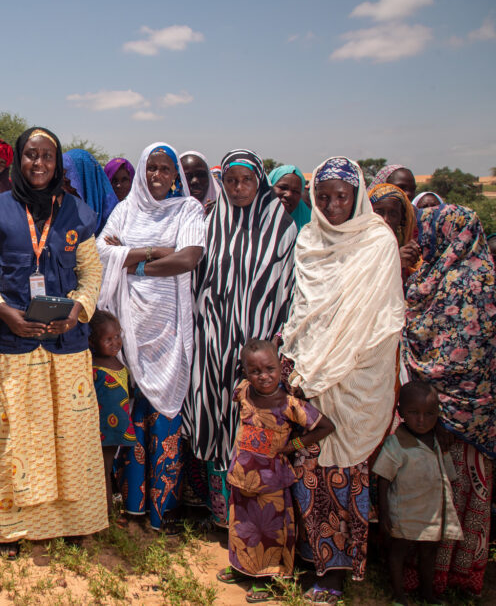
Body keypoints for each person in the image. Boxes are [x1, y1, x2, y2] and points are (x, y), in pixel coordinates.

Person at [0, 127, 107, 557]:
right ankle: (11, 527)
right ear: (18, 162)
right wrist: (4, 312)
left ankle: (74, 521)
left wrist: (77, 310)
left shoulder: (78, 213)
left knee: (71, 435)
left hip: (66, 344)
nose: (39, 163)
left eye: (47, 156)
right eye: (31, 155)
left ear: (57, 161)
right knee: (15, 437)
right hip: (12, 344)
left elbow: (92, 273)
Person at [281, 157, 405, 603]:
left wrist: (334, 365)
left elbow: (384, 319)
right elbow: (302, 309)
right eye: (325, 196)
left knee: (343, 476)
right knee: (306, 473)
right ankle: (311, 559)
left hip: (354, 379)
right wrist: (301, 362)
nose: (332, 205)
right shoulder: (309, 238)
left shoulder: (377, 242)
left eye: (342, 196)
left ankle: (335, 571)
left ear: (357, 197)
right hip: (311, 374)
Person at [181, 150, 297, 527]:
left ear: (259, 181)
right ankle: (221, 517)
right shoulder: (210, 222)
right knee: (218, 418)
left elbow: (289, 289)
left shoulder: (282, 227)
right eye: (231, 180)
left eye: (246, 180)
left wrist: (275, 343)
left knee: (251, 426)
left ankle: (252, 519)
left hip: (259, 349)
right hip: (214, 342)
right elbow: (196, 279)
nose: (239, 187)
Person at [96, 143, 205, 532]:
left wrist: (133, 262)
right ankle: (133, 509)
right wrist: (155, 251)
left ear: (176, 175)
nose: (158, 176)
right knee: (131, 418)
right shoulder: (125, 210)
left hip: (169, 333)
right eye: (152, 168)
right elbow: (99, 251)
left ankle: (162, 512)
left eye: (165, 169)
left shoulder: (187, 210)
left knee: (164, 418)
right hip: (129, 330)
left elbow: (188, 258)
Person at [401, 203, 496, 596]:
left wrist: (419, 371)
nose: (424, 237)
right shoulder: (462, 272)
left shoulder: (470, 279)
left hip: (450, 405)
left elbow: (465, 347)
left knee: (448, 491)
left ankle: (436, 578)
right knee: (465, 492)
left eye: (429, 230)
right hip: (477, 408)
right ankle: (458, 576)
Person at [215, 340, 334, 603]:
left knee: (270, 531)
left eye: (270, 369)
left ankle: (268, 580)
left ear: (280, 368)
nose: (264, 376)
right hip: (242, 476)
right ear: (246, 372)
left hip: (271, 482)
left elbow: (325, 426)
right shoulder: (244, 392)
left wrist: (293, 445)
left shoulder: (289, 405)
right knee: (242, 527)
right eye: (255, 371)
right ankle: (242, 569)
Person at [373, 381, 463, 606]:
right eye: (414, 413)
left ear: (438, 414)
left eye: (429, 414)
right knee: (399, 551)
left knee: (429, 553)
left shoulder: (438, 441)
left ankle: (427, 594)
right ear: (401, 412)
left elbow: (448, 475)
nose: (421, 420)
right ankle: (399, 595)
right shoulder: (396, 443)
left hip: (433, 513)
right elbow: (383, 479)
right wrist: (383, 514)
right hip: (404, 512)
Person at [87, 311, 134, 517]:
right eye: (108, 339)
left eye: (117, 336)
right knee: (101, 470)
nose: (115, 342)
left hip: (115, 431)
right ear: (93, 341)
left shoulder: (120, 362)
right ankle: (103, 514)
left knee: (106, 468)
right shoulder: (92, 366)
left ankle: (105, 513)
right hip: (100, 431)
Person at [369, 182, 421, 281]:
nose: (385, 219)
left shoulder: (407, 247)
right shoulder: (356, 244)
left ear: (401, 219)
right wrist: (395, 261)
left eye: (393, 214)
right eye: (378, 212)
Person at [63, 148, 118, 233]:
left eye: (68, 183)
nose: (63, 190)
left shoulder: (117, 216)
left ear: (86, 183)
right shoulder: (59, 214)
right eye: (60, 183)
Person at [267, 165, 312, 231]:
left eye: (295, 191)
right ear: (269, 187)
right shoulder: (250, 221)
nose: (289, 195)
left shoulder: (311, 227)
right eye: (283, 188)